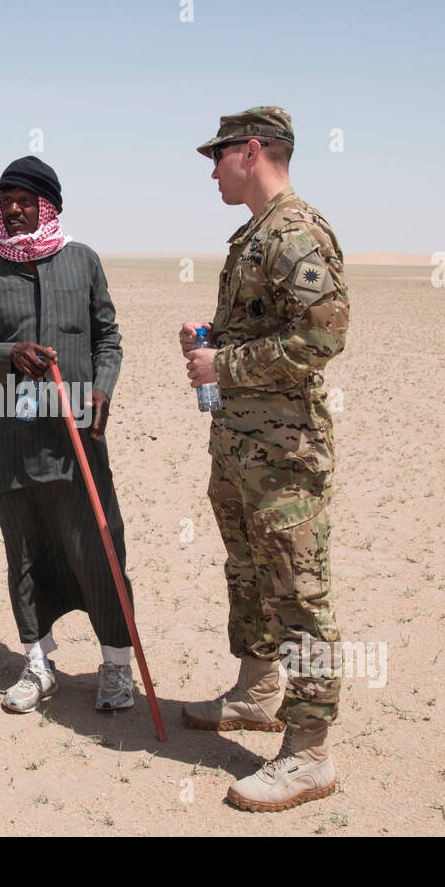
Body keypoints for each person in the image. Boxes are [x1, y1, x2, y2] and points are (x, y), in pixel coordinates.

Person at [179, 106, 349, 812]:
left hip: (284, 453)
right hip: (244, 447)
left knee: (299, 594)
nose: (211, 170)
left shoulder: (294, 230)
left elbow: (323, 338)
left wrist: (226, 362)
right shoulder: (253, 234)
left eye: (217, 156)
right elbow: (270, 329)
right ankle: (257, 693)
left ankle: (309, 751)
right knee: (250, 573)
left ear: (251, 151)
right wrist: (211, 346)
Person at [0, 156, 137, 714]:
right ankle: (37, 663)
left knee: (97, 547)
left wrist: (103, 388)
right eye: (3, 199)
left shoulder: (83, 262)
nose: (12, 208)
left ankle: (117, 667)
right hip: (13, 436)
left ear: (48, 205)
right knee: (24, 550)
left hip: (80, 434)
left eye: (24, 200)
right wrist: (9, 354)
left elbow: (109, 338)